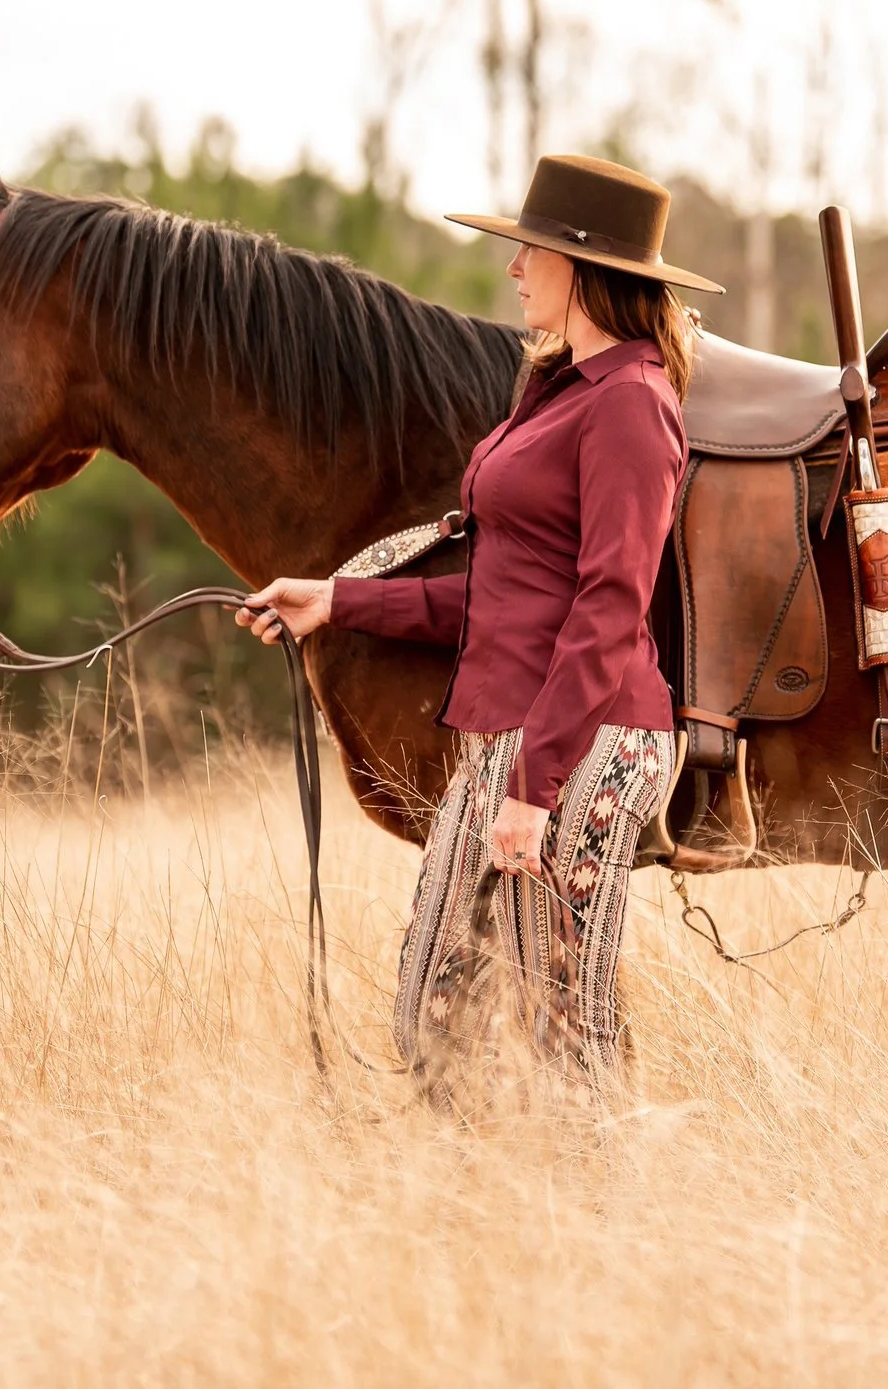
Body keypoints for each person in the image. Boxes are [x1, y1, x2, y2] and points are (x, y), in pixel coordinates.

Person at [234, 154, 722, 1096]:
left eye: (531, 250)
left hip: (585, 745)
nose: (514, 267)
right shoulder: (563, 388)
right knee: (433, 1015)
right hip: (510, 736)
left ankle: (602, 1183)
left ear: (584, 266)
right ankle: (477, 1185)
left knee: (566, 1033)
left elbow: (610, 603)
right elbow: (504, 598)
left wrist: (535, 787)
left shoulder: (631, 401)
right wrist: (337, 599)